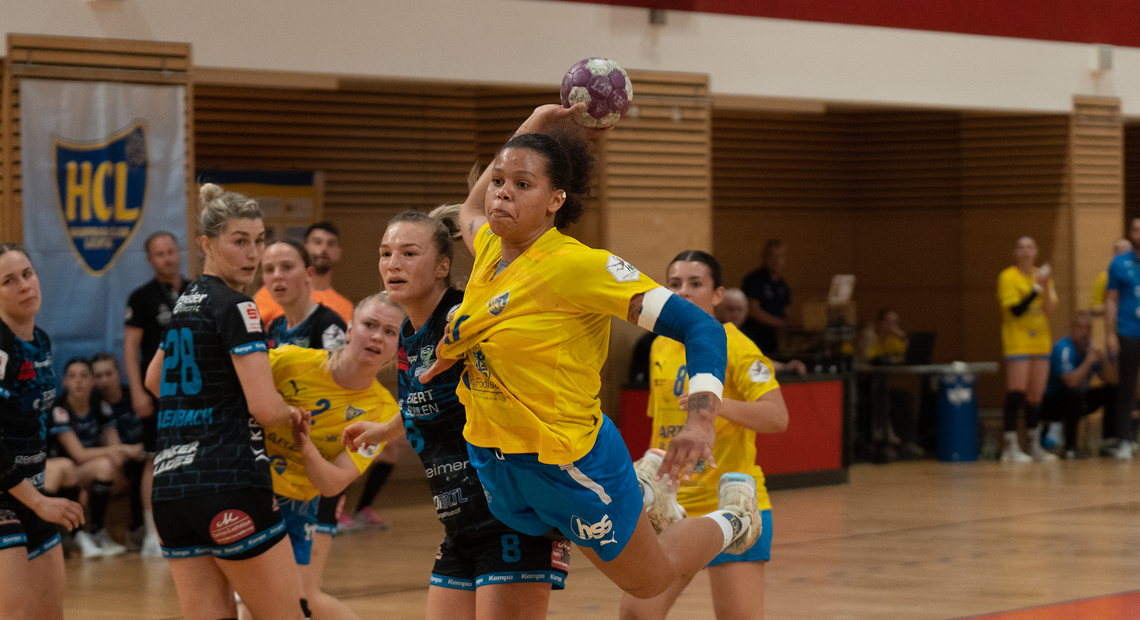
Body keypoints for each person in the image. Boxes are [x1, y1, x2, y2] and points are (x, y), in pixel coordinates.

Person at [417, 104, 759, 602]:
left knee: (649, 580)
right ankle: (643, 491)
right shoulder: (490, 246)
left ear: (556, 199)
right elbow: (468, 209)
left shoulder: (582, 268)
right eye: (498, 181)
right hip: (494, 458)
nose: (503, 192)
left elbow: (701, 327)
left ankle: (733, 516)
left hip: (568, 464)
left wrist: (702, 419)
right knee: (539, 528)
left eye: (523, 184)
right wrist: (536, 121)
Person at [345, 207, 572, 620]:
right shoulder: (410, 335)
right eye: (385, 253)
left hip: (513, 518)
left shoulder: (463, 319)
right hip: (459, 525)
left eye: (409, 253)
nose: (393, 264)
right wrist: (384, 429)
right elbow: (427, 398)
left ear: (442, 266)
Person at [144, 183, 308, 620]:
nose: (253, 253)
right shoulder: (239, 306)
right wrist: (296, 414)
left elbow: (155, 379)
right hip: (230, 481)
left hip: (172, 492)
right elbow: (265, 408)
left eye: (259, 240)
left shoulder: (185, 302)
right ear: (206, 243)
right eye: (240, 241)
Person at [620, 250, 787, 620]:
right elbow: (662, 428)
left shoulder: (738, 347)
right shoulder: (660, 345)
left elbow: (778, 417)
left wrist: (714, 405)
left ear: (717, 294)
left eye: (696, 284)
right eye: (675, 284)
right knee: (636, 613)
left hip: (731, 503)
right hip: (671, 508)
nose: (684, 292)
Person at [257, 294, 403, 620]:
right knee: (264, 601)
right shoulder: (288, 360)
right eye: (369, 325)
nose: (378, 336)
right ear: (349, 330)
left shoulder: (383, 413)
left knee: (301, 599)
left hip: (308, 499)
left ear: (397, 348)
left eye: (390, 332)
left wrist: (305, 446)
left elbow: (332, 482)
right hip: (255, 493)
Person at [0, 243, 85, 618]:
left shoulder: (41, 342)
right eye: (8, 281)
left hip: (32, 492)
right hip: (7, 495)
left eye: (27, 274)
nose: (23, 285)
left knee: (50, 611)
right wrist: (38, 501)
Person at [124, 230, 186, 556]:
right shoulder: (142, 297)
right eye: (159, 253)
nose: (167, 258)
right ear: (150, 260)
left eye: (170, 251)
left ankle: (190, 527)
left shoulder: (195, 290)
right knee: (154, 457)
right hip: (157, 390)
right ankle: (151, 534)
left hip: (192, 391)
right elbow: (131, 347)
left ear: (179, 252)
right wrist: (137, 390)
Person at [46, 357, 141, 557]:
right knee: (68, 466)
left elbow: (114, 447)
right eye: (72, 376)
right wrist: (126, 449)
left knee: (110, 466)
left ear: (92, 381)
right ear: (64, 381)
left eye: (83, 376)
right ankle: (52, 537)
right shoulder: (60, 409)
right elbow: (78, 454)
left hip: (83, 474)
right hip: (62, 473)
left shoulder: (100, 407)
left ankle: (97, 533)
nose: (78, 381)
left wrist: (121, 451)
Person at [997, 236, 1058, 463]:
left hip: (1041, 340)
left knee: (1035, 396)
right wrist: (1035, 289)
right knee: (1016, 393)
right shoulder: (1008, 277)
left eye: (1030, 247)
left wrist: (1044, 285)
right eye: (1020, 247)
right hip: (1017, 340)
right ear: (1015, 252)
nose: (1025, 251)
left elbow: (1049, 309)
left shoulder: (1041, 277)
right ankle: (1010, 446)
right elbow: (1016, 311)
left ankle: (1033, 444)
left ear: (1036, 251)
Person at [90, 352, 149, 553]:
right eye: (98, 376)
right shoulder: (93, 405)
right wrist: (122, 451)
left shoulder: (136, 397)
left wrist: (134, 450)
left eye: (108, 374)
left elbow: (152, 436)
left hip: (139, 456)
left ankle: (140, 528)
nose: (104, 380)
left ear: (119, 373)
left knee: (145, 464)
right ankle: (131, 529)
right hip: (111, 463)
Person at [1041, 312, 1113, 459]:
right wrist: (1088, 361)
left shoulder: (1091, 348)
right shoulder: (1063, 348)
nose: (1084, 332)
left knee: (1110, 391)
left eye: (1088, 328)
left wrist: (1104, 358)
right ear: (1072, 329)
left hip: (1076, 400)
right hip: (1051, 403)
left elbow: (1110, 379)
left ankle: (1109, 442)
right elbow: (1071, 382)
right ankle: (1071, 448)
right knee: (1075, 392)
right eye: (1080, 327)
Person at [255, 222, 354, 325]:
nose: (324, 249)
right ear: (305, 248)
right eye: (317, 242)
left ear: (338, 253)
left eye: (331, 244)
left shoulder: (345, 306)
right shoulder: (272, 294)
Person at [263, 239, 347, 352]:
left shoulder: (330, 326)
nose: (276, 276)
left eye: (287, 267)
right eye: (269, 269)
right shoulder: (275, 326)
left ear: (309, 274)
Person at [1104, 217, 1140, 459]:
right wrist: (1109, 334)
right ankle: (1124, 441)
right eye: (1136, 229)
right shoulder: (1119, 263)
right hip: (1128, 332)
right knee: (1126, 388)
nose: (1139, 233)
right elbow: (1111, 299)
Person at [716, 288, 806, 376]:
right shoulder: (714, 335)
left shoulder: (748, 336)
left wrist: (785, 367)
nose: (735, 314)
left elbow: (758, 362)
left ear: (746, 311)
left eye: (739, 309)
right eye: (730, 309)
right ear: (718, 309)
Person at [740, 240, 790, 356]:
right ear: (764, 257)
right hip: (755, 337)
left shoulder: (783, 286)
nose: (775, 260)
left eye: (780, 256)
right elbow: (753, 311)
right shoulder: (754, 279)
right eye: (772, 256)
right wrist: (780, 323)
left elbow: (787, 313)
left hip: (775, 340)